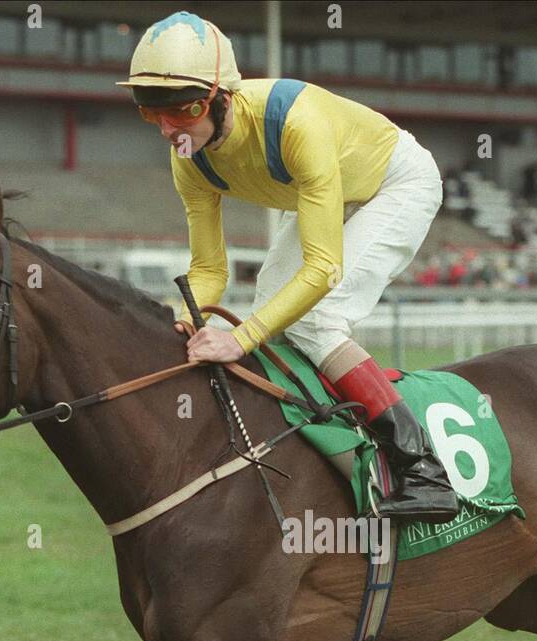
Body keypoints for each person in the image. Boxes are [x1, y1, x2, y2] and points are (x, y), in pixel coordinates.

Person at [118, 10, 458, 522]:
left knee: (313, 316)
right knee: (271, 309)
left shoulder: (296, 122)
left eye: (183, 110)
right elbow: (210, 270)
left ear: (220, 97)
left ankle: (421, 468)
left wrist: (239, 339)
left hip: (396, 183)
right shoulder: (187, 155)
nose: (168, 129)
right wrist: (181, 321)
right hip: (327, 194)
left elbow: (323, 270)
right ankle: (326, 434)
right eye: (149, 113)